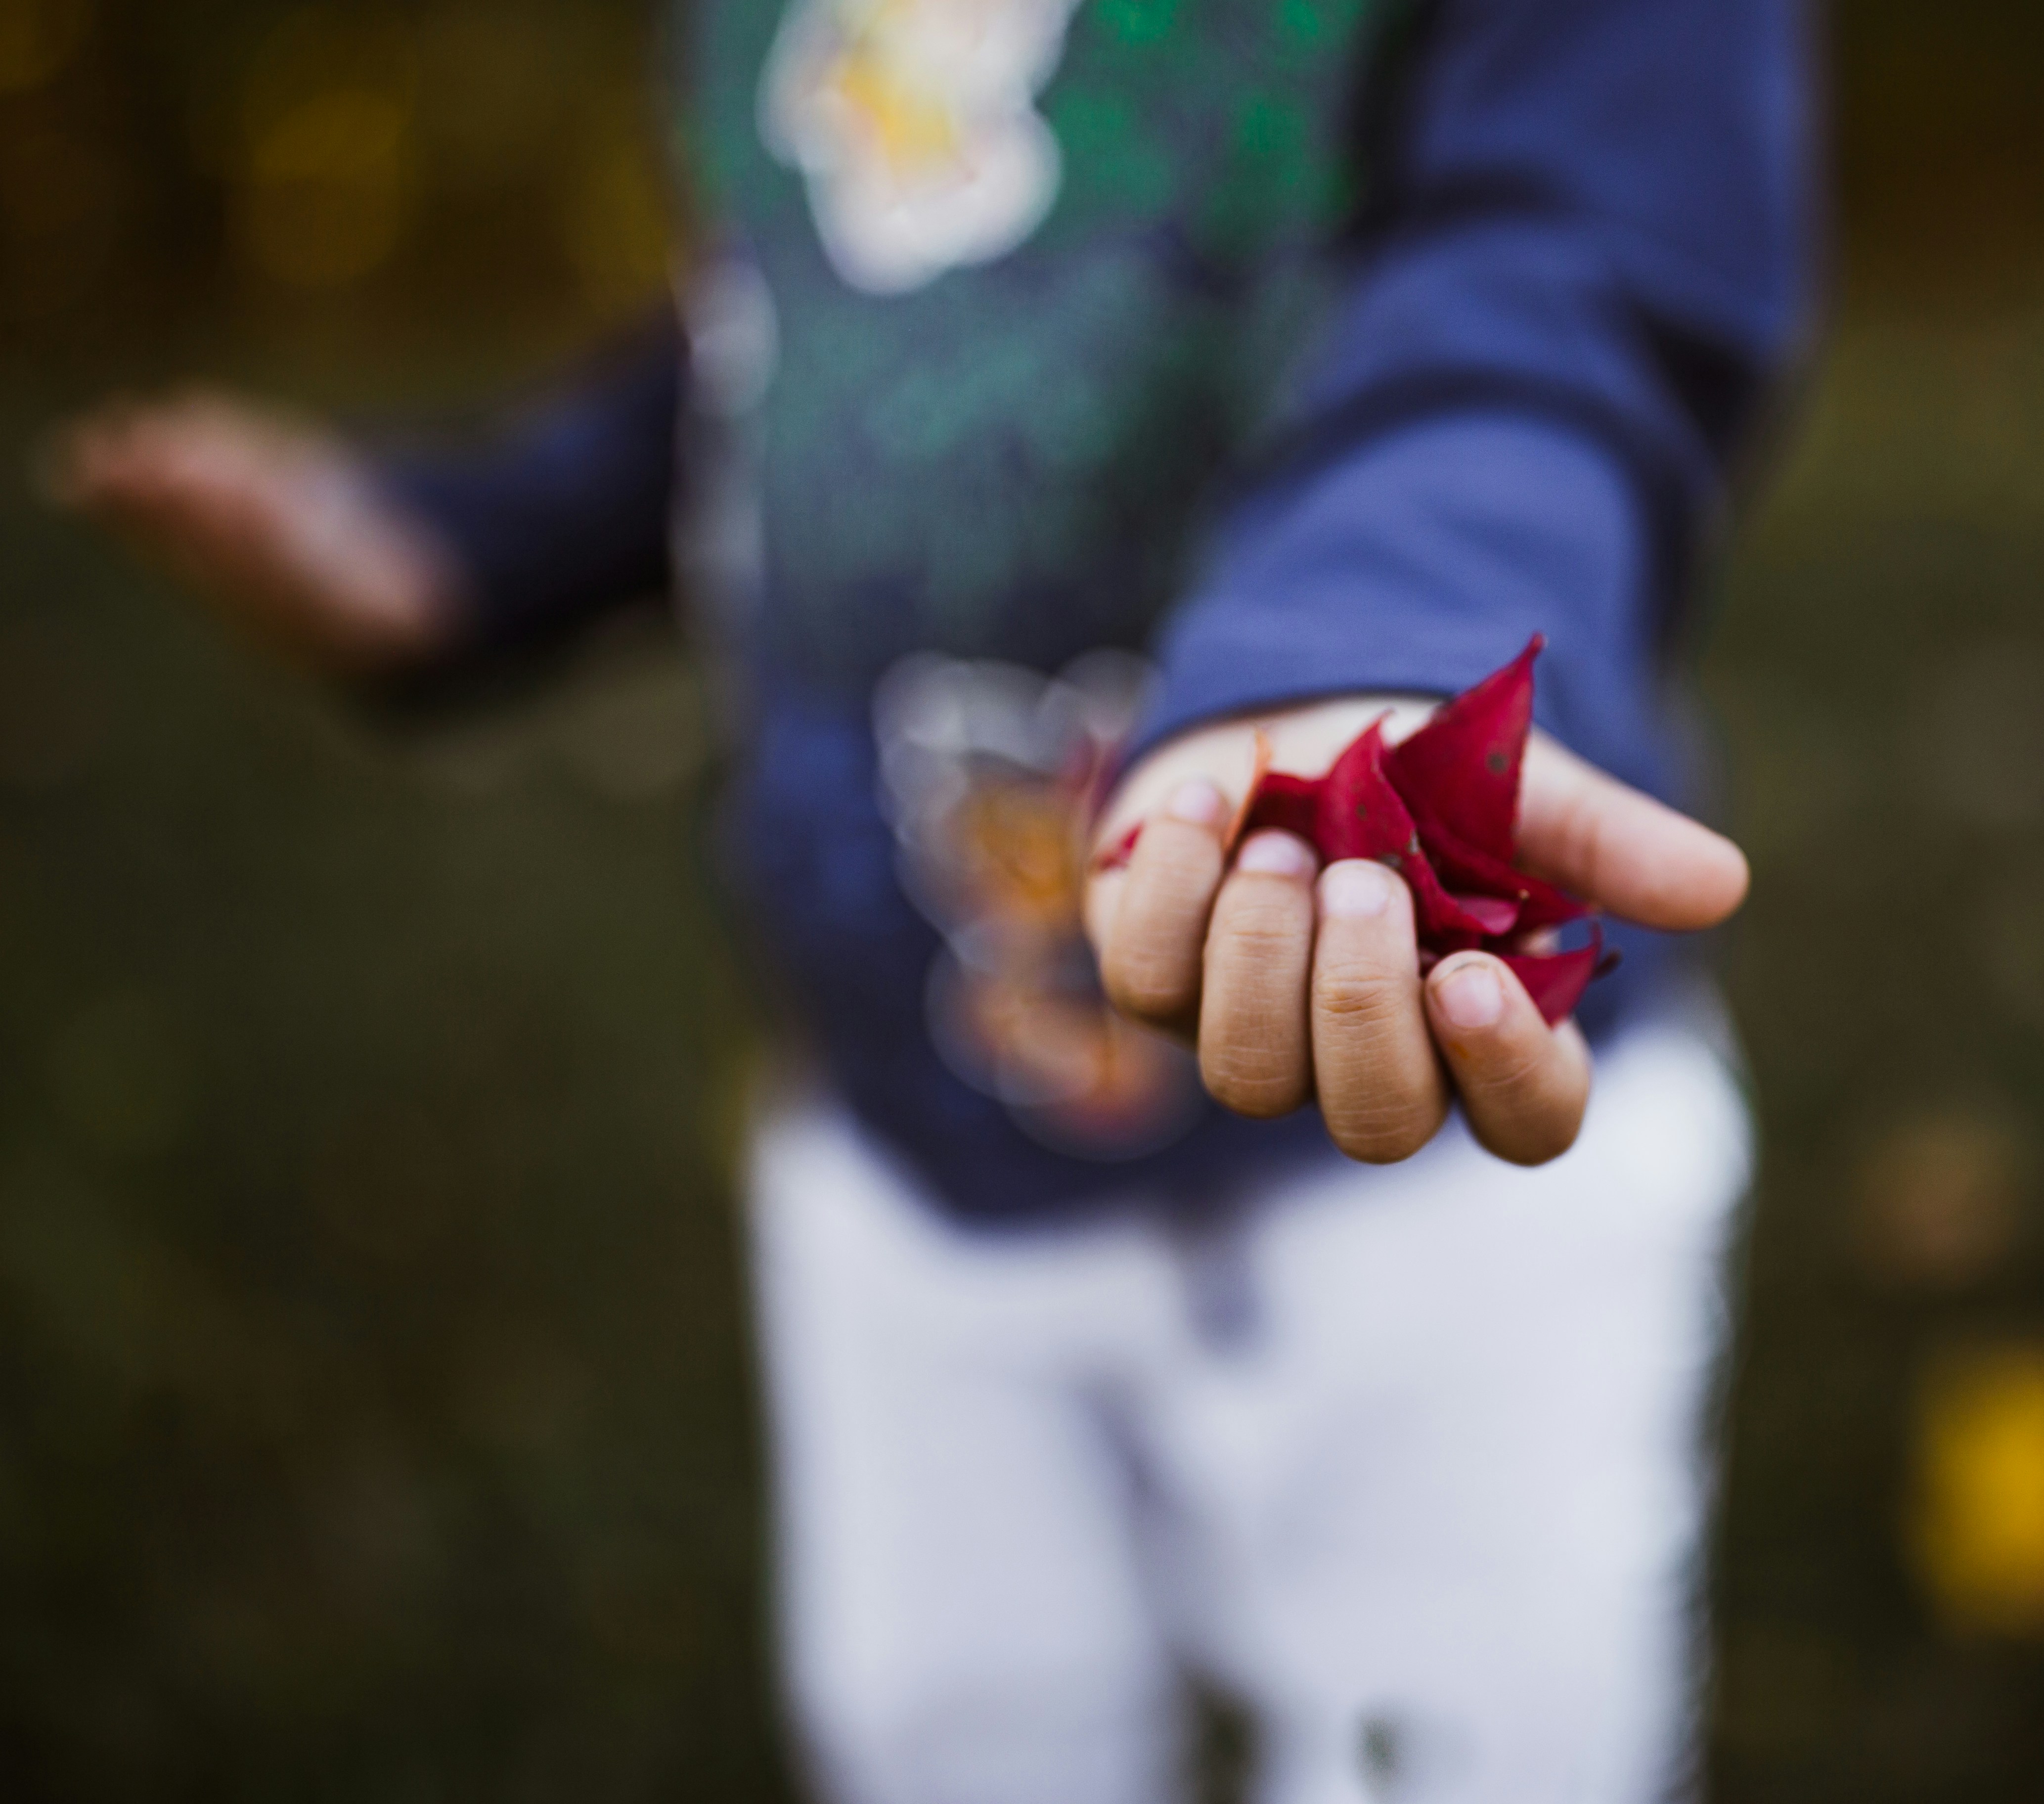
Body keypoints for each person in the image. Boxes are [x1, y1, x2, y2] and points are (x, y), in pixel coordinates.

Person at [49, 0, 1821, 1796]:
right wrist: (480, 545)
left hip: (1420, 1180)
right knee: (950, 1739)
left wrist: (1372, 644)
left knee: (1452, 1751)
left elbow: (1562, 284)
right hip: (902, 1124)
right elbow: (808, 318)